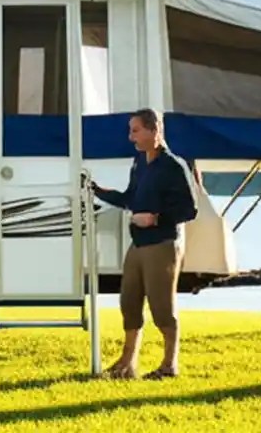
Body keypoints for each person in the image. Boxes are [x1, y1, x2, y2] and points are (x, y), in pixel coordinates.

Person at [87, 108, 196, 380]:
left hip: (162, 243)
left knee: (161, 307)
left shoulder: (174, 165)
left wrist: (156, 218)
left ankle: (169, 365)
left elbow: (189, 210)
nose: (130, 136)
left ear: (154, 130)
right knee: (129, 301)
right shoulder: (139, 163)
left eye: (135, 130)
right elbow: (131, 199)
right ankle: (127, 363)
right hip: (138, 244)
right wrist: (98, 191)